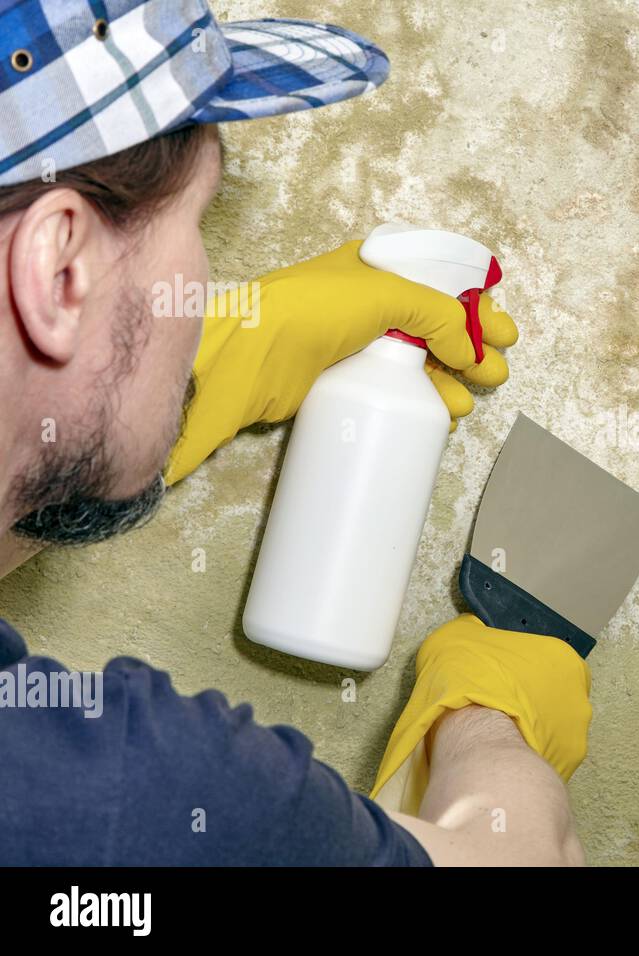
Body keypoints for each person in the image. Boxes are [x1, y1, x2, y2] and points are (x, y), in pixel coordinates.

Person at [0, 0, 591, 866]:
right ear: (59, 269)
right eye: (198, 225)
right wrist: (490, 716)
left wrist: (217, 371)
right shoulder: (132, 801)